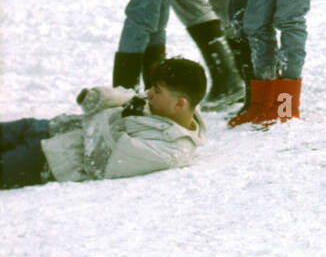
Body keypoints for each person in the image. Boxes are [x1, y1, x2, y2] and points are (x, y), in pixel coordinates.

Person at [0, 57, 207, 190]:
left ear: (180, 104)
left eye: (157, 91)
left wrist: (111, 116)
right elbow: (128, 98)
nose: (149, 93)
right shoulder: (164, 106)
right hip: (50, 128)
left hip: (47, 159)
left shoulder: (170, 150)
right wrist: (103, 99)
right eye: (152, 87)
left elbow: (101, 160)